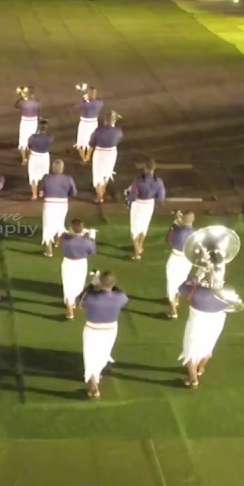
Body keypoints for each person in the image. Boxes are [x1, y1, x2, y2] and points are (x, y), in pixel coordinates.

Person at [79, 271, 128, 399]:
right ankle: (95, 377)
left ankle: (93, 387)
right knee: (102, 354)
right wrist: (109, 284)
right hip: (110, 330)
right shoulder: (120, 297)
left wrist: (92, 284)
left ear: (100, 283)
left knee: (89, 357)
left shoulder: (91, 297)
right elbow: (120, 292)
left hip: (92, 329)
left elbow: (79, 300)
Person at [179, 276, 232, 388]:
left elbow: (182, 288)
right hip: (216, 322)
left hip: (198, 323)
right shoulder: (227, 292)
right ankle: (200, 369)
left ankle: (193, 379)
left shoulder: (198, 292)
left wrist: (194, 279)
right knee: (207, 348)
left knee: (191, 352)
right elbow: (234, 305)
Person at [125, 160, 165, 260]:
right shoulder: (159, 181)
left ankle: (137, 252)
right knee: (144, 226)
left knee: (134, 228)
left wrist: (129, 203)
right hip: (149, 204)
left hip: (138, 204)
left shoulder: (138, 180)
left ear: (145, 168)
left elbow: (133, 194)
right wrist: (160, 204)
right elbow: (161, 198)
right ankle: (141, 245)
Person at [59, 219, 97, 321]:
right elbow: (92, 250)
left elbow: (62, 238)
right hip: (81, 263)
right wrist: (91, 236)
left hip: (68, 263)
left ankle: (70, 312)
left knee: (68, 287)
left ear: (71, 228)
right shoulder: (86, 241)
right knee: (78, 285)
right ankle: (76, 303)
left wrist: (78, 233)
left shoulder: (66, 239)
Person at [39, 160, 77, 257]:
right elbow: (74, 193)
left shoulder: (46, 178)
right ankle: (56, 242)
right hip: (62, 204)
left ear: (52, 168)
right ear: (62, 168)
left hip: (49, 204)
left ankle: (49, 251)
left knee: (48, 226)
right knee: (59, 223)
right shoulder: (68, 178)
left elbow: (41, 191)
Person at [164, 211, 195, 319]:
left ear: (183, 219)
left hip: (176, 258)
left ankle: (173, 311)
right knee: (181, 280)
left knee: (171, 283)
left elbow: (168, 239)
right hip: (188, 260)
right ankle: (177, 300)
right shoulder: (195, 233)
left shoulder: (178, 230)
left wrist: (175, 224)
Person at [89, 112, 123, 203]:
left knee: (97, 177)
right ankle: (101, 193)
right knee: (106, 175)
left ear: (105, 121)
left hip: (100, 153)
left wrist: (88, 155)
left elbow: (91, 144)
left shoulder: (98, 131)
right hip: (111, 153)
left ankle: (99, 197)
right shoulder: (118, 131)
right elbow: (118, 139)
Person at [74, 85, 104, 164]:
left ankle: (84, 158)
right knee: (91, 141)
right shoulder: (100, 103)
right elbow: (94, 102)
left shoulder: (86, 104)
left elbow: (77, 106)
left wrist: (84, 99)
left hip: (84, 124)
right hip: (94, 123)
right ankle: (88, 156)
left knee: (81, 142)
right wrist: (87, 100)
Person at [26, 121, 53, 199]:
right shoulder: (49, 137)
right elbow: (50, 143)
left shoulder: (33, 137)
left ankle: (34, 195)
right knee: (44, 175)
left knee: (33, 176)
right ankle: (42, 192)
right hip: (44, 157)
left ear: (39, 128)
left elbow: (29, 145)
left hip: (34, 156)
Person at [14, 87, 42, 163]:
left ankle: (24, 159)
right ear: (33, 94)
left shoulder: (22, 102)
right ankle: (29, 158)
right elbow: (39, 109)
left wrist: (21, 98)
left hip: (25, 122)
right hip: (33, 122)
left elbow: (16, 105)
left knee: (22, 140)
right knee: (31, 140)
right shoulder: (37, 102)